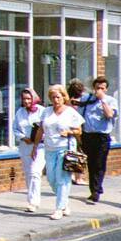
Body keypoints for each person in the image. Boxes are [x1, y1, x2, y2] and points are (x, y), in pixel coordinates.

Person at [31, 84, 84, 220]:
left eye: (58, 97)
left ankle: (59, 208)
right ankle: (65, 202)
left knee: (62, 179)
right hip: (49, 148)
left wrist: (69, 132)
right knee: (51, 178)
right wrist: (35, 147)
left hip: (64, 148)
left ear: (63, 97)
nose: (55, 100)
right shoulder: (46, 111)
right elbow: (40, 130)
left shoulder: (70, 112)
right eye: (53, 97)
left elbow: (79, 131)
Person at [78, 76, 117, 204]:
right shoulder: (87, 99)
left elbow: (109, 115)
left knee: (99, 163)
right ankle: (94, 189)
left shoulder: (110, 100)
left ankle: (96, 190)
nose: (99, 90)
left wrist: (102, 101)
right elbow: (78, 115)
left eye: (102, 88)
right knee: (91, 163)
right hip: (88, 135)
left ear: (106, 89)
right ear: (93, 88)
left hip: (102, 136)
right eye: (97, 88)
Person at [15, 88, 46, 211]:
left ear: (34, 98)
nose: (26, 101)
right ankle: (31, 199)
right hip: (25, 146)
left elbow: (47, 128)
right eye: (24, 99)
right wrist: (23, 137)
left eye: (28, 98)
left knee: (35, 172)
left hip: (40, 146)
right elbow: (15, 129)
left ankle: (34, 202)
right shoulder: (20, 112)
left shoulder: (42, 111)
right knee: (28, 173)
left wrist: (39, 138)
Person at [66, 78, 89, 184]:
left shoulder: (68, 102)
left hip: (70, 128)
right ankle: (79, 177)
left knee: (71, 152)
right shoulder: (81, 102)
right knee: (80, 153)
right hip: (80, 128)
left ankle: (71, 176)